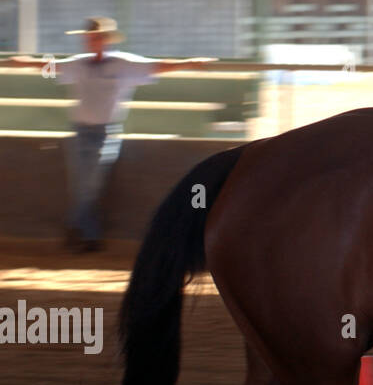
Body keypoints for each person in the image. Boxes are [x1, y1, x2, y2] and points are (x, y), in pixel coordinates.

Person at [3, 16, 215, 251]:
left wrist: (189, 63)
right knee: (83, 183)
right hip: (82, 131)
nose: (91, 42)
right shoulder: (80, 63)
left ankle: (79, 230)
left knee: (89, 183)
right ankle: (85, 235)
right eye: (89, 38)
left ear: (105, 40)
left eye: (95, 38)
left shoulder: (122, 63)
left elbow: (157, 66)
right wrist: (25, 63)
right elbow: (51, 67)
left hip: (104, 132)